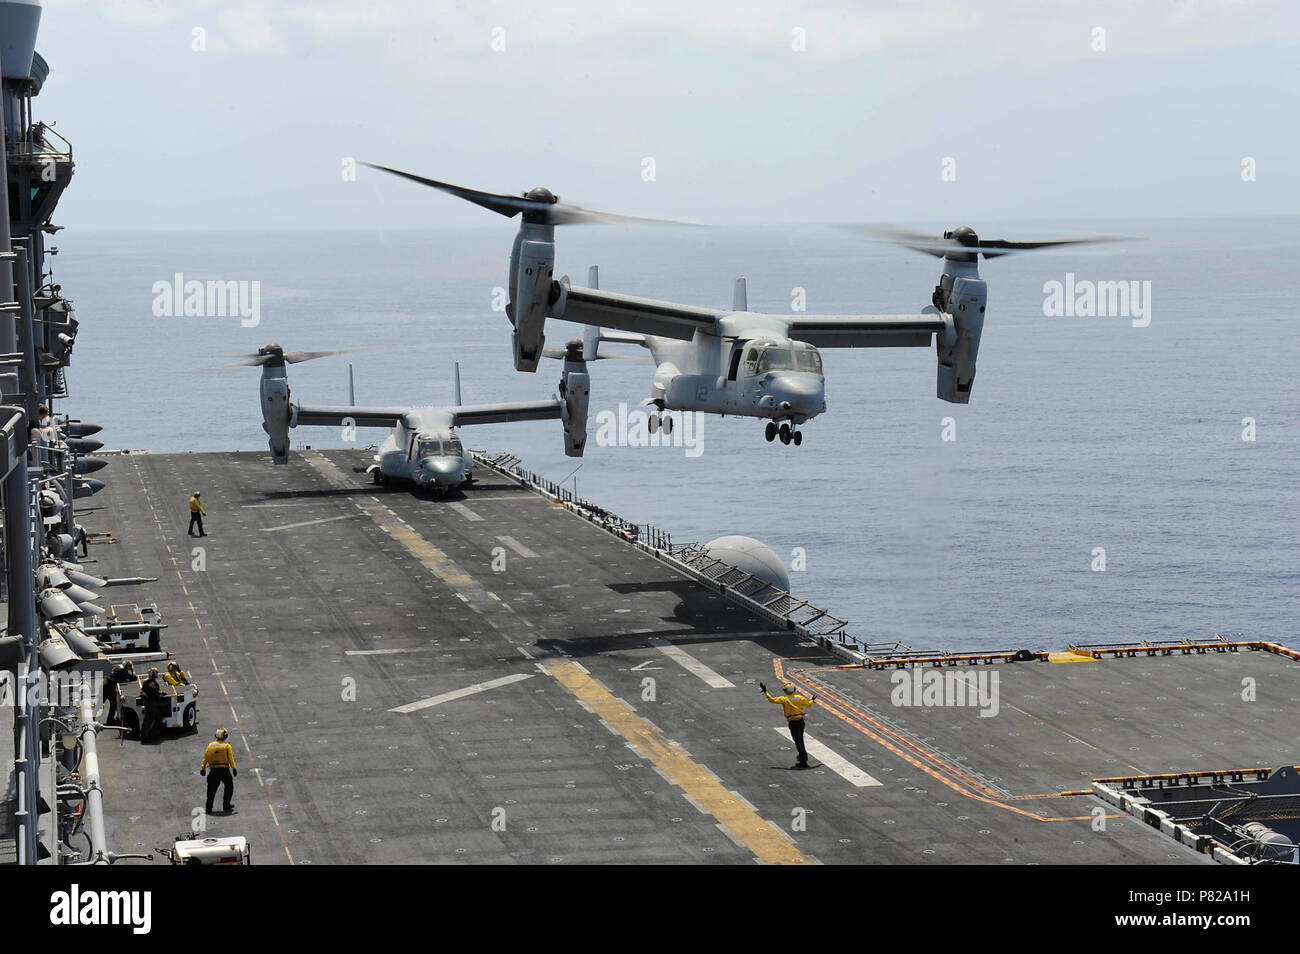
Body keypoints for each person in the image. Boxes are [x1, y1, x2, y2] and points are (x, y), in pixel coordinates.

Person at [761, 681, 817, 768]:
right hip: (801, 722)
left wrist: (766, 691)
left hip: (793, 722)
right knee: (800, 740)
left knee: (798, 742)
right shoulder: (799, 697)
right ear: (794, 690)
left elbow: (772, 699)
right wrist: (812, 700)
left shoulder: (784, 699)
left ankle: (803, 760)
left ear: (785, 691)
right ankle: (802, 758)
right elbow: (808, 705)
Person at [200, 728, 237, 815]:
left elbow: (205, 757)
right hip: (224, 770)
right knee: (229, 787)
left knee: (211, 790)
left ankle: (208, 808)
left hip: (213, 770)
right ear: (225, 736)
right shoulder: (227, 746)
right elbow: (230, 758)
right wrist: (234, 768)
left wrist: (203, 768)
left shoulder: (210, 746)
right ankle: (226, 805)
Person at [139, 667, 165, 744]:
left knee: (158, 718)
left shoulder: (146, 682)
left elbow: (143, 692)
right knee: (148, 721)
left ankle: (154, 735)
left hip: (150, 703)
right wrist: (160, 694)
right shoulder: (153, 683)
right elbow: (155, 693)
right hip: (151, 704)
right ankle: (145, 738)